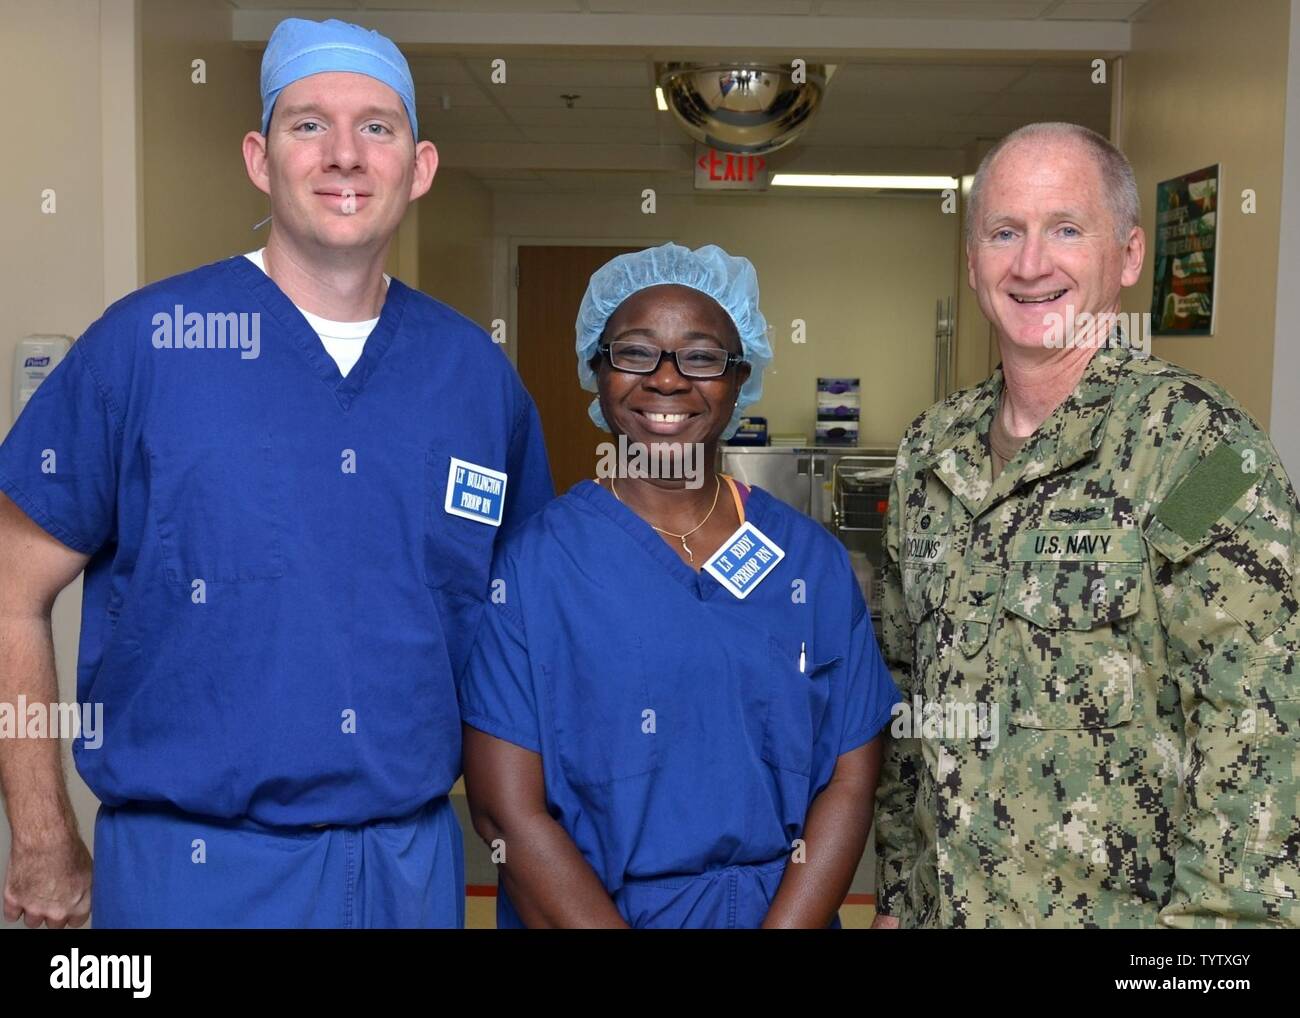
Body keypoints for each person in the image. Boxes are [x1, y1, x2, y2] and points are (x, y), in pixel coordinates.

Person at [0, 17, 552, 929]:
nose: (344, 155)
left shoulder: (475, 380)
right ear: (260, 158)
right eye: (309, 125)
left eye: (377, 126)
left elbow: (525, 639)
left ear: (418, 167)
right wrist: (40, 833)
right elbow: (12, 591)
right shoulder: (147, 345)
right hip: (191, 867)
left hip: (410, 863)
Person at [873, 121, 1300, 928]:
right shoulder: (930, 452)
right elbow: (904, 697)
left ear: (1130, 256)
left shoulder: (1204, 456)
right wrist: (897, 896)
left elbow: (1267, 733)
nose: (1032, 264)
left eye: (1066, 229)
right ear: (973, 263)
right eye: (1006, 232)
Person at [458, 243, 900, 928]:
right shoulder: (533, 569)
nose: (667, 381)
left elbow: (849, 777)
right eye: (635, 353)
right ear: (597, 371)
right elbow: (505, 812)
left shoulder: (807, 562)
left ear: (739, 377)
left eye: (701, 356)